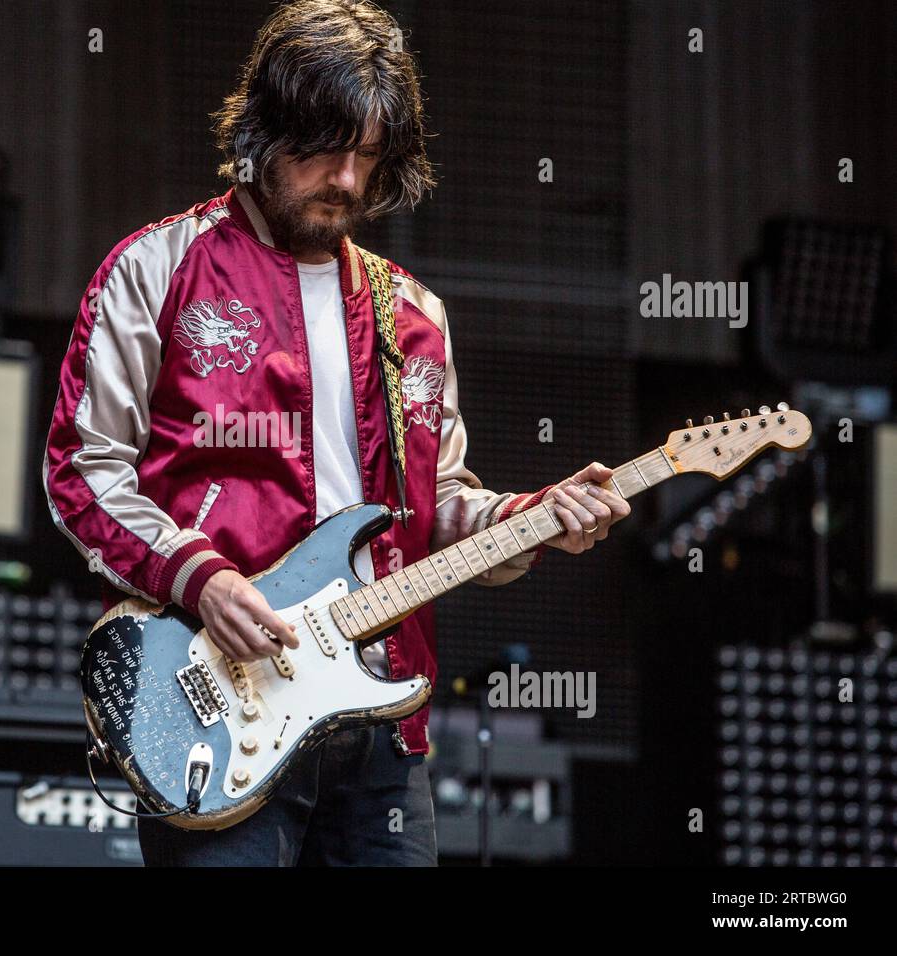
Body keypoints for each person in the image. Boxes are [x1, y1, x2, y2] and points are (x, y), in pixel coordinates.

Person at [43, 0, 629, 866]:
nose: (349, 182)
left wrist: (539, 518)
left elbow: (437, 508)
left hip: (383, 726)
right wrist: (202, 580)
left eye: (368, 155)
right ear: (263, 131)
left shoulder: (415, 316)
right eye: (325, 148)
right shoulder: (158, 270)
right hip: (222, 710)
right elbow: (83, 473)